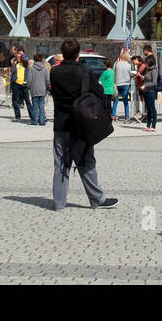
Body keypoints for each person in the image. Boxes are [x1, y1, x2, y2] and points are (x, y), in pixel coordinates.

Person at [49, 38, 118, 211]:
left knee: (61, 164)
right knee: (86, 161)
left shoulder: (54, 72)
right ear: (78, 54)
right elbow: (100, 92)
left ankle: (59, 203)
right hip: (80, 124)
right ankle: (97, 199)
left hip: (61, 124)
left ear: (63, 53)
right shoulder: (84, 71)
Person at [10, 45, 33, 121]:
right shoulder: (14, 62)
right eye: (17, 56)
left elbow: (26, 58)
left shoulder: (25, 63)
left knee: (27, 100)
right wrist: (14, 64)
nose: (18, 57)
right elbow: (12, 71)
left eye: (20, 56)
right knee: (16, 100)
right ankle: (17, 116)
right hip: (15, 83)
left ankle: (32, 116)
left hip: (24, 84)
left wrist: (22, 54)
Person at [27, 51, 50, 126]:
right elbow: (47, 80)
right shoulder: (45, 68)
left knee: (35, 106)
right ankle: (42, 121)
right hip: (42, 89)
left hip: (34, 89)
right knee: (42, 106)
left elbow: (29, 80)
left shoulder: (32, 69)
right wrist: (46, 87)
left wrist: (29, 87)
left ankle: (34, 121)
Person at [140, 54, 160, 132]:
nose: (145, 64)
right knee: (148, 109)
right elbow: (148, 80)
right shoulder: (148, 70)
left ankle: (153, 126)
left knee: (152, 109)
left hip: (151, 91)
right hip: (146, 91)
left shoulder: (154, 71)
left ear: (149, 62)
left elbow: (154, 83)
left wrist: (145, 85)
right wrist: (143, 78)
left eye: (146, 63)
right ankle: (148, 125)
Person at [113, 51, 133, 121]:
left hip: (117, 83)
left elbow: (113, 73)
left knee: (116, 101)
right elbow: (130, 74)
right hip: (126, 83)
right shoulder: (128, 65)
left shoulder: (116, 64)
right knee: (125, 101)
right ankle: (127, 116)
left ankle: (113, 116)